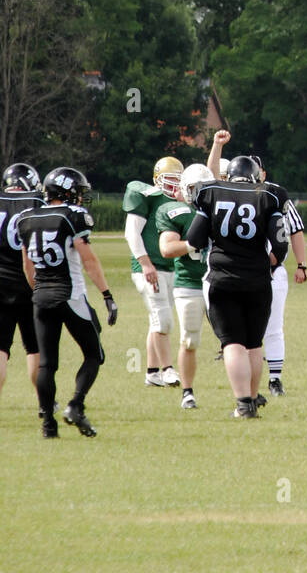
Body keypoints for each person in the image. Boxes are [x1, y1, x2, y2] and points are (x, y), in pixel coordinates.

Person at [17, 167, 117, 438]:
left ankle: (48, 424)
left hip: (41, 296)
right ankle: (76, 405)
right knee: (95, 354)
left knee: (47, 363)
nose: (81, 197)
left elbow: (28, 267)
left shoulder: (25, 218)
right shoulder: (72, 216)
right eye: (78, 191)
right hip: (70, 294)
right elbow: (89, 260)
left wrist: (39, 290)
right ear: (68, 191)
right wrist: (107, 295)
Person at [207, 131, 307, 400]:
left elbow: (293, 231)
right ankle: (253, 394)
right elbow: (212, 177)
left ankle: (267, 384)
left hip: (247, 271)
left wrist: (301, 264)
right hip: (257, 272)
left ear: (262, 171)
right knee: (253, 338)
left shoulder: (272, 194)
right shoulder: (265, 195)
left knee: (260, 333)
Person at [186, 156, 288, 418]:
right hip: (258, 280)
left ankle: (242, 404)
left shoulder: (211, 192)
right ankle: (252, 401)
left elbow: (195, 239)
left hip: (221, 278)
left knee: (232, 343)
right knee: (254, 344)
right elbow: (281, 246)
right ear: (256, 176)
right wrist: (263, 266)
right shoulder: (269, 195)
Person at [156, 162, 213, 410]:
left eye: (204, 187)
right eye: (194, 187)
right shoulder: (176, 212)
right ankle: (187, 392)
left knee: (235, 341)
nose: (199, 191)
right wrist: (192, 244)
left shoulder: (221, 209)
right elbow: (167, 249)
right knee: (189, 340)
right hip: (190, 283)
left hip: (219, 282)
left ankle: (244, 395)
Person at [123, 157, 184, 389]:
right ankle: (168, 369)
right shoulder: (146, 196)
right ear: (157, 180)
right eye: (169, 180)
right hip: (148, 268)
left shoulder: (180, 201)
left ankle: (152, 373)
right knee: (164, 321)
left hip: (168, 266)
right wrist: (145, 263)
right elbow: (131, 233)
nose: (173, 186)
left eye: (177, 181)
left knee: (156, 320)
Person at [0, 163, 44, 411]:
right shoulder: (37, 202)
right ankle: (44, 401)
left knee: (0, 347)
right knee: (36, 347)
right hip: (30, 282)